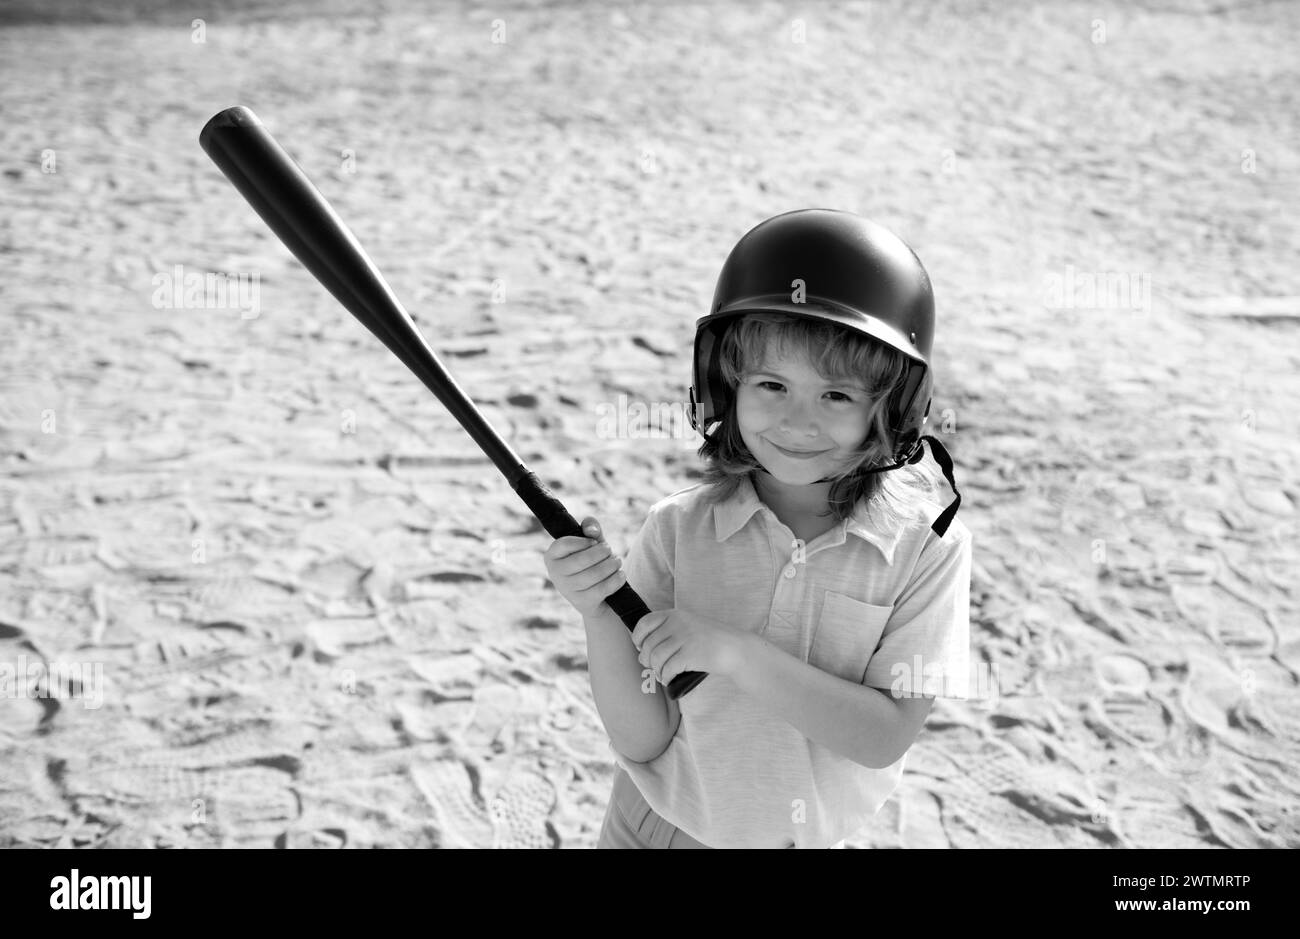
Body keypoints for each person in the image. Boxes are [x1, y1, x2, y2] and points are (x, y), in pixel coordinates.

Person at [543, 209, 970, 848]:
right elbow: (643, 736)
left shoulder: (924, 550)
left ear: (894, 410)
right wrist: (599, 613)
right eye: (772, 384)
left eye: (837, 396)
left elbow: (883, 737)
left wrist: (737, 654)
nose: (799, 422)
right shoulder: (678, 529)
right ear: (724, 388)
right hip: (655, 826)